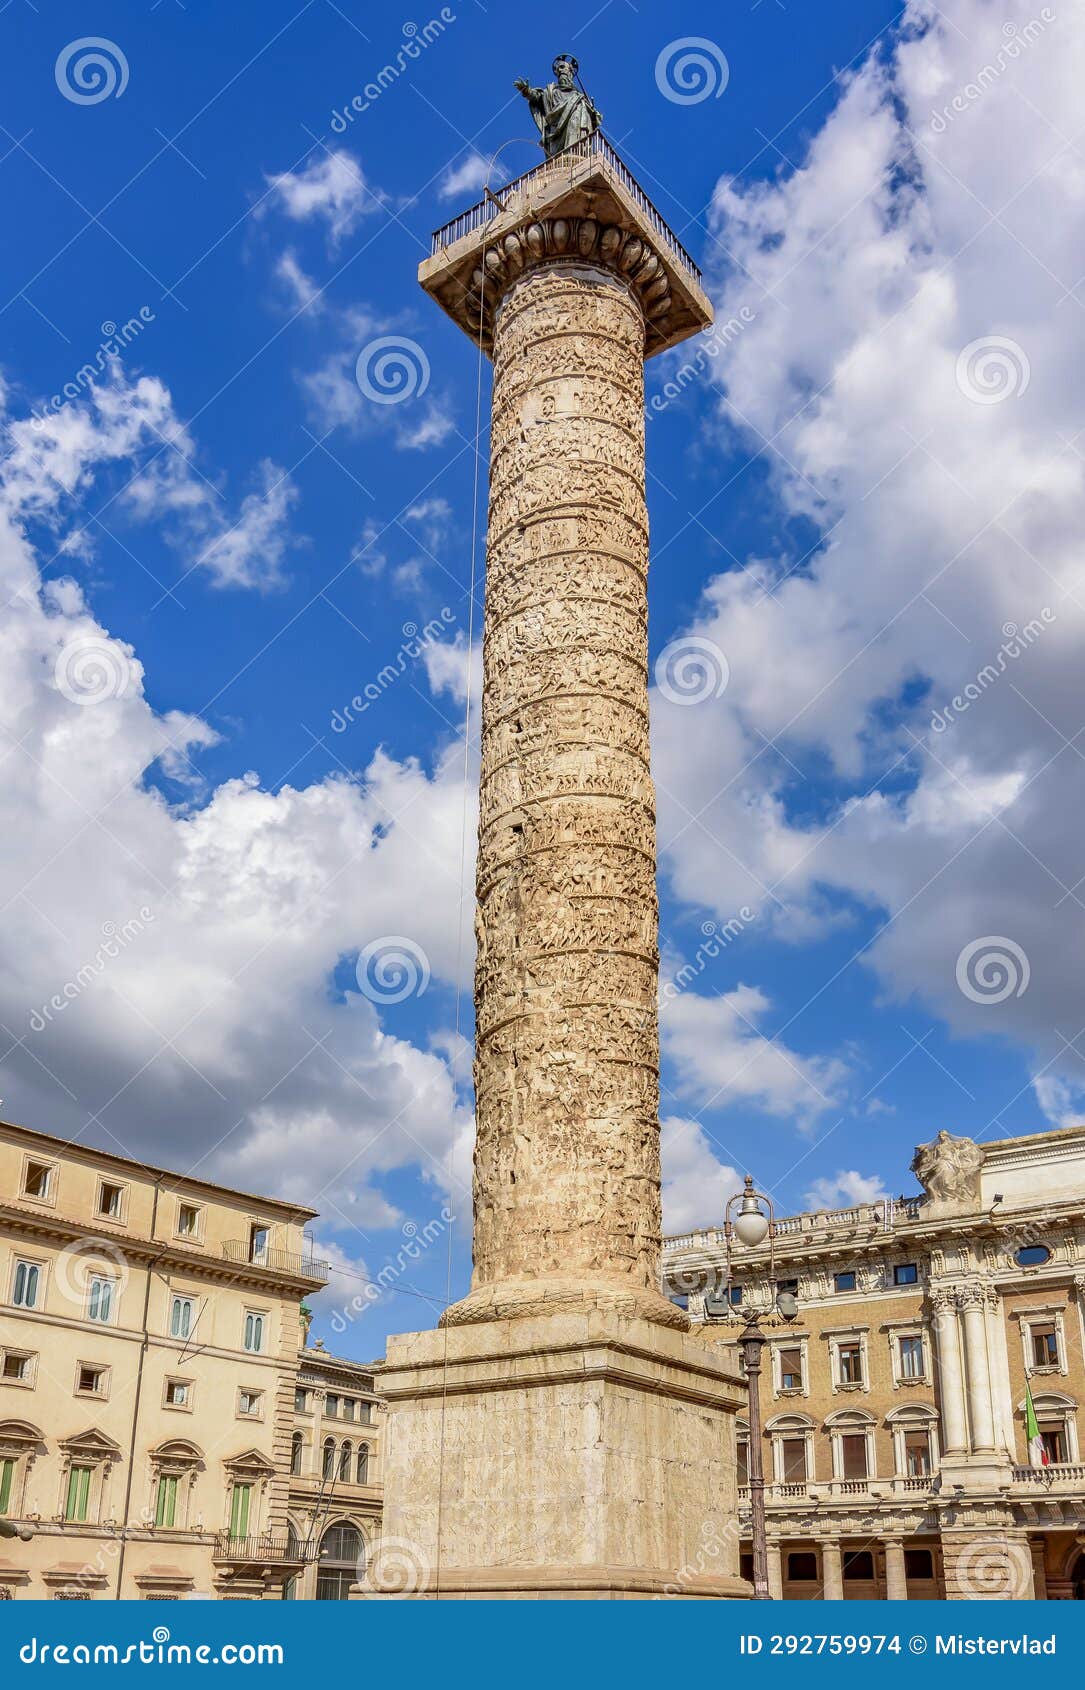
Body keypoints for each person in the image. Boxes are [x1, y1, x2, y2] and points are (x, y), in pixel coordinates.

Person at [514, 55, 601, 160]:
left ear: (570, 73)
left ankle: (577, 154)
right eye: (559, 69)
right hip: (556, 130)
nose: (562, 72)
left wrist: (593, 114)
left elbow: (593, 119)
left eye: (564, 68)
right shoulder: (550, 91)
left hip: (576, 125)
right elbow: (536, 97)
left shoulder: (578, 96)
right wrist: (526, 91)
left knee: (577, 121)